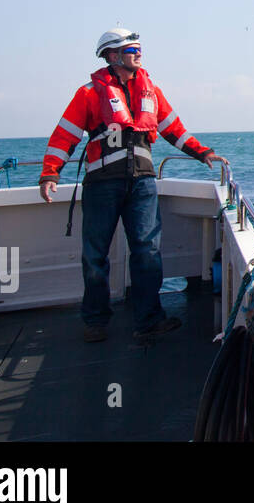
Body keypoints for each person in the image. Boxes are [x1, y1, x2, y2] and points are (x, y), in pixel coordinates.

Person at [38, 28, 226, 345]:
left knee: (147, 251)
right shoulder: (88, 93)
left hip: (142, 184)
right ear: (112, 55)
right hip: (102, 185)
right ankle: (95, 322)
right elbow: (64, 135)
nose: (138, 53)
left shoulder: (150, 91)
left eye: (139, 48)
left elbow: (172, 128)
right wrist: (50, 173)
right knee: (95, 255)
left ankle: (149, 321)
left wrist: (201, 152)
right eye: (131, 49)